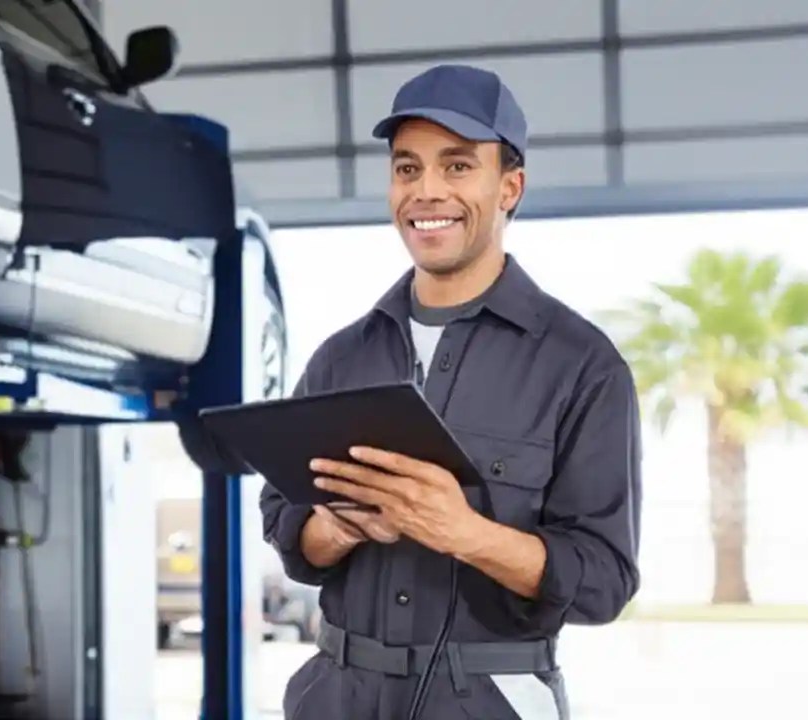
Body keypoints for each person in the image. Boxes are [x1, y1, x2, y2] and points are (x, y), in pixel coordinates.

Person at [258, 63, 643, 720]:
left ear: (510, 187)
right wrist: (337, 529)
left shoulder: (582, 366)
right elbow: (287, 529)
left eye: (458, 166)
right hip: (337, 695)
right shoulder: (341, 358)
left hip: (486, 700)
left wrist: (466, 533)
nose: (426, 191)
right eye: (407, 169)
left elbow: (604, 581)